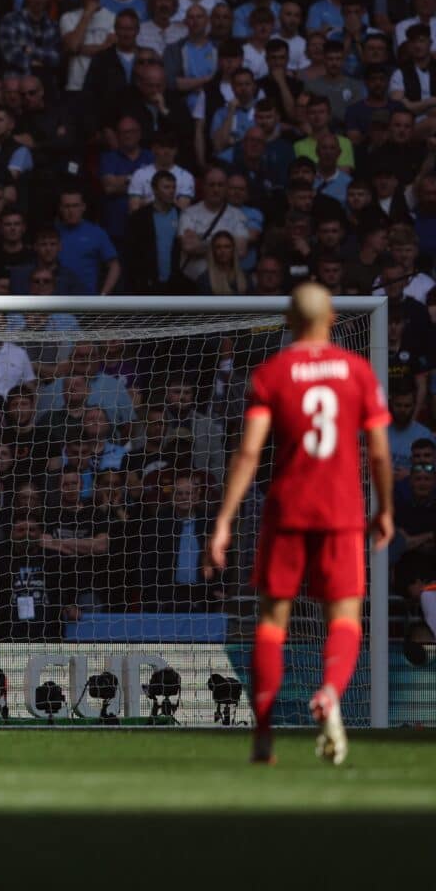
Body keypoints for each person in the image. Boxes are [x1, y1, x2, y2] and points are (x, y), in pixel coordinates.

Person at [204, 283, 393, 766]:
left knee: (271, 623)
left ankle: (264, 732)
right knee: (345, 618)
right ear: (332, 318)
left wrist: (224, 520)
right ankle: (329, 692)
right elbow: (377, 449)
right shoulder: (357, 371)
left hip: (286, 511)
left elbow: (249, 451)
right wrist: (385, 508)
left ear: (289, 321)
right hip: (342, 513)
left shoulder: (273, 373)